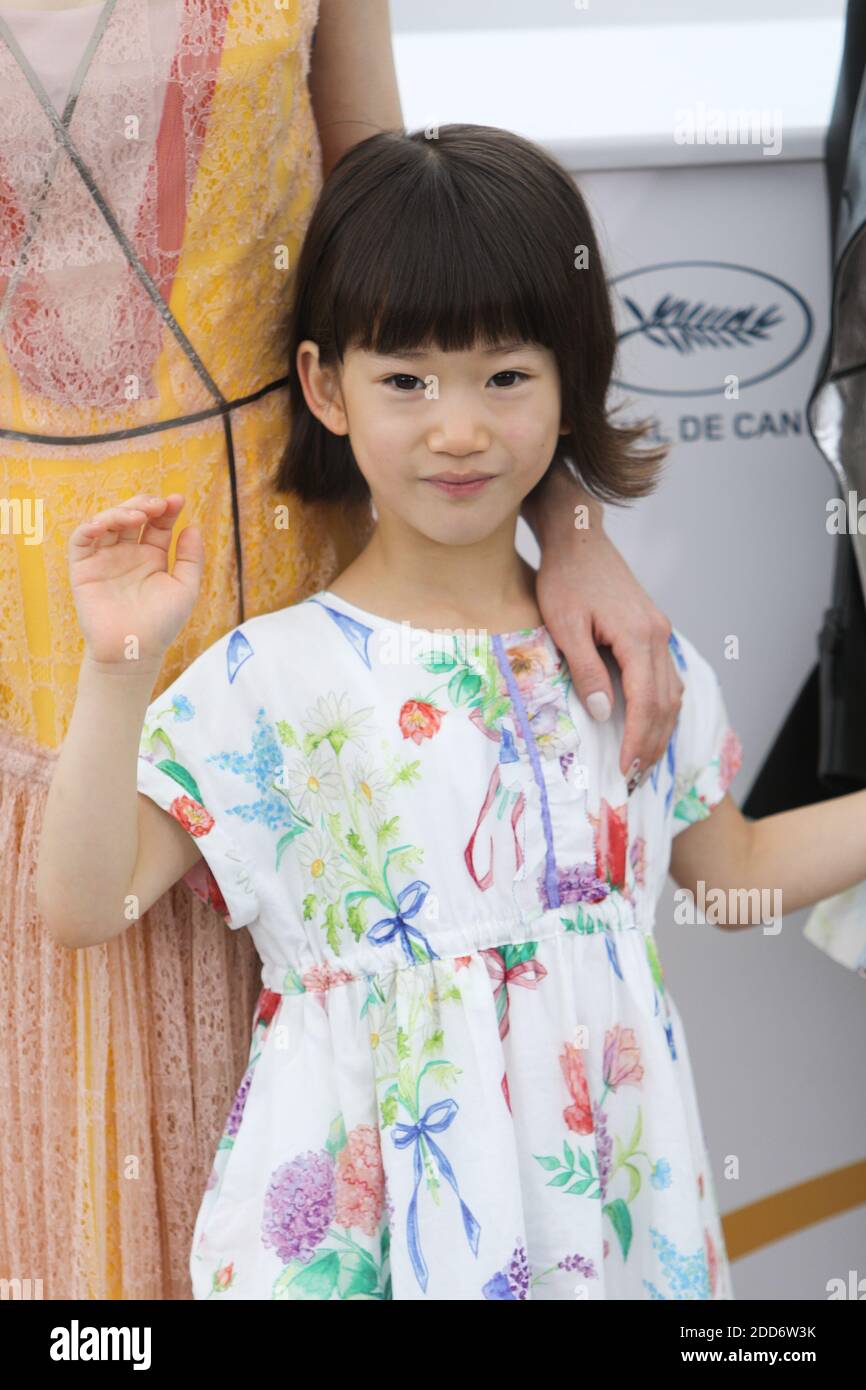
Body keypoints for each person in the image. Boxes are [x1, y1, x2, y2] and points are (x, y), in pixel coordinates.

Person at [39, 123, 866, 1300]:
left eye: (506, 375)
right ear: (326, 386)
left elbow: (729, 868)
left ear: (569, 379)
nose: (459, 426)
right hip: (364, 1245)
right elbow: (81, 904)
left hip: (609, 1227)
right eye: (407, 379)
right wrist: (118, 671)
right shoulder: (268, 681)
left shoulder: (626, 656)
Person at [1, 2, 685, 1299]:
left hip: (292, 570)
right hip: (47, 630)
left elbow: (392, 230)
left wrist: (569, 515)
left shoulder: (328, 659)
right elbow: (76, 901)